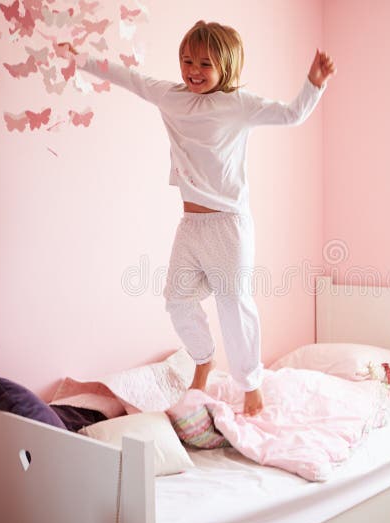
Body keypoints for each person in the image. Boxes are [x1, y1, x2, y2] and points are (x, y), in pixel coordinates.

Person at [60, 20, 335, 416]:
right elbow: (129, 78)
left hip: (228, 226)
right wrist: (81, 59)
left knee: (233, 306)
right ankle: (204, 358)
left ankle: (250, 385)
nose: (193, 70)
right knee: (177, 301)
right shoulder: (171, 97)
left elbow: (291, 114)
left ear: (227, 66)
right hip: (191, 225)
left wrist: (314, 82)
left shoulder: (239, 105)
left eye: (205, 64)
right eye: (187, 60)